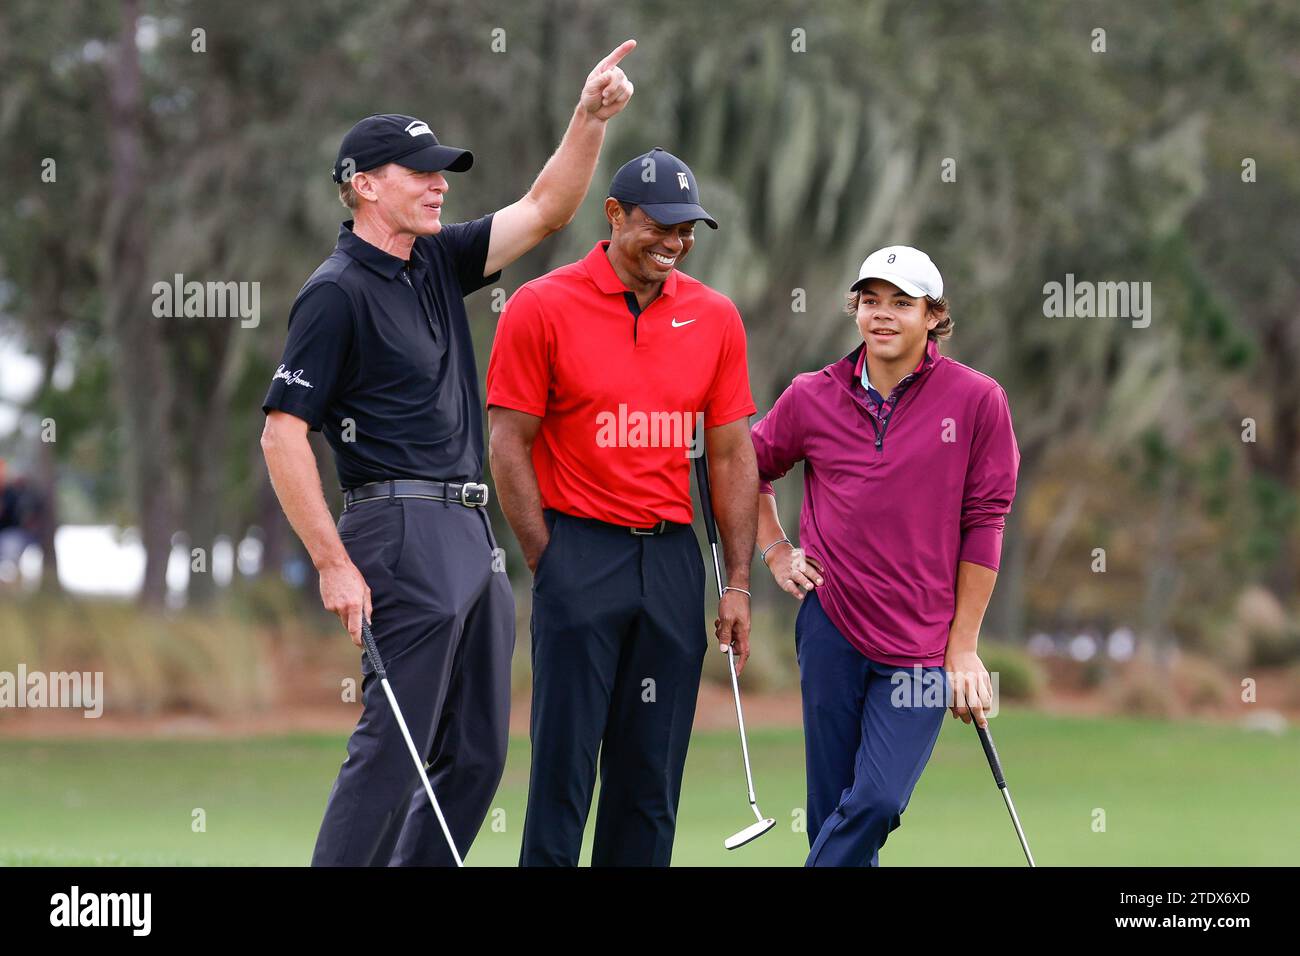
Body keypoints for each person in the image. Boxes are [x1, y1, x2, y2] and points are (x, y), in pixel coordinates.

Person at [260, 41, 638, 867]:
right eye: (419, 171)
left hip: (471, 534)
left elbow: (545, 209)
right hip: (395, 533)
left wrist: (588, 119)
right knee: (393, 748)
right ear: (364, 184)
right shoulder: (334, 292)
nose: (440, 183)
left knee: (476, 757)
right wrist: (331, 562)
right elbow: (282, 432)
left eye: (442, 172)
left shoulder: (431, 261)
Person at [486, 147, 759, 866]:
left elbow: (731, 455)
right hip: (579, 551)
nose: (674, 241)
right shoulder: (541, 305)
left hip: (671, 563)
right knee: (563, 775)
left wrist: (737, 581)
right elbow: (508, 444)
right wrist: (550, 555)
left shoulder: (715, 318)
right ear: (614, 216)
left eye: (688, 229)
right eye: (659, 225)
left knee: (649, 785)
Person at [750, 245, 1020, 866]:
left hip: (924, 645)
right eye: (870, 300)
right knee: (831, 812)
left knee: (874, 802)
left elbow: (985, 523)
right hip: (831, 629)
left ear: (933, 316)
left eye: (902, 302)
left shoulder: (977, 401)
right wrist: (775, 551)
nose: (882, 315)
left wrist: (965, 646)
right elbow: (748, 471)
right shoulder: (811, 395)